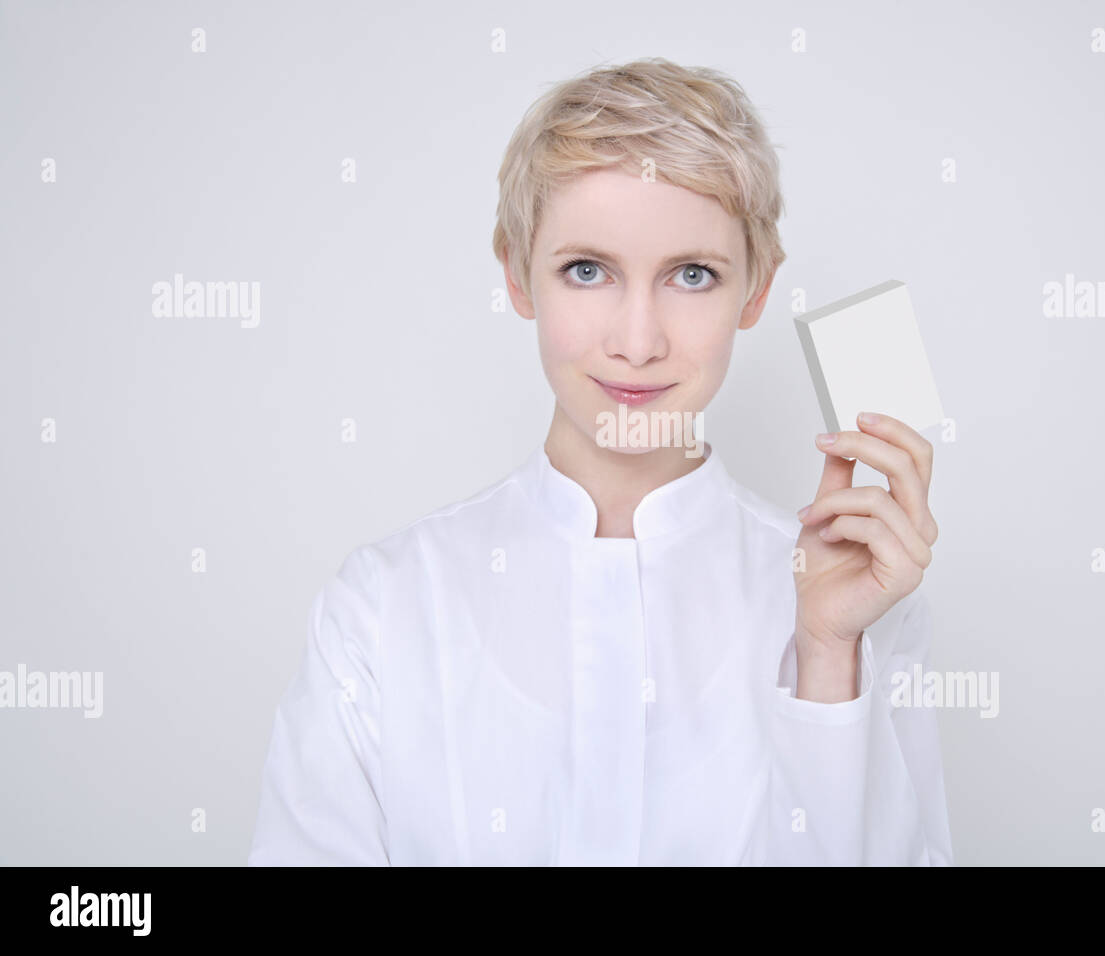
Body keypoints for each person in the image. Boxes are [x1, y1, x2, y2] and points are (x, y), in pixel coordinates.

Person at [248, 57, 952, 866]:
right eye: (588, 271)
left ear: (756, 288)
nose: (639, 342)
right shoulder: (385, 604)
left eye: (693, 275)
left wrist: (827, 657)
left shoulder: (859, 603)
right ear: (517, 273)